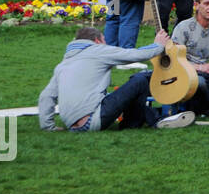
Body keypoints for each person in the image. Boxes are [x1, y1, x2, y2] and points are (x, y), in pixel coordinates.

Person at [38, 26, 195, 131]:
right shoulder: (97, 50)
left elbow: (46, 97)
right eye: (105, 41)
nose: (106, 44)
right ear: (97, 41)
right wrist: (158, 45)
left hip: (74, 126)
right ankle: (153, 122)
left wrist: (48, 127)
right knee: (139, 80)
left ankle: (147, 119)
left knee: (123, 91)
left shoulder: (63, 64)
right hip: (93, 119)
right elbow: (134, 55)